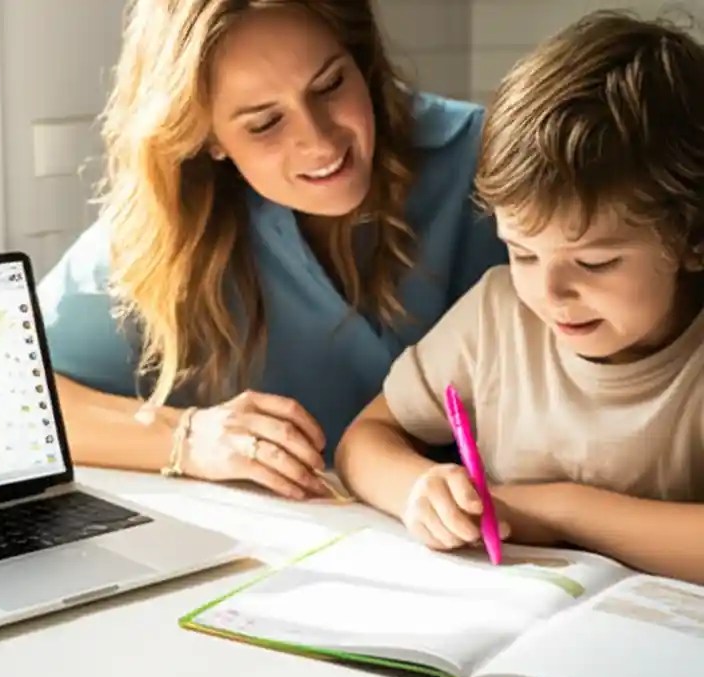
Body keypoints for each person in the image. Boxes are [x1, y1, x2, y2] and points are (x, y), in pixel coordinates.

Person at [36, 0, 505, 499]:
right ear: (206, 137)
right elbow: (6, 401)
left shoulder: (486, 157)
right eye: (264, 123)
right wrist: (186, 438)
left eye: (330, 85)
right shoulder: (170, 228)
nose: (320, 141)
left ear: (359, 58)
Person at [335, 11, 704, 584]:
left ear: (693, 239)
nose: (549, 294)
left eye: (595, 263)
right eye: (523, 253)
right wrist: (418, 489)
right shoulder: (498, 314)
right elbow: (363, 441)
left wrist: (559, 510)